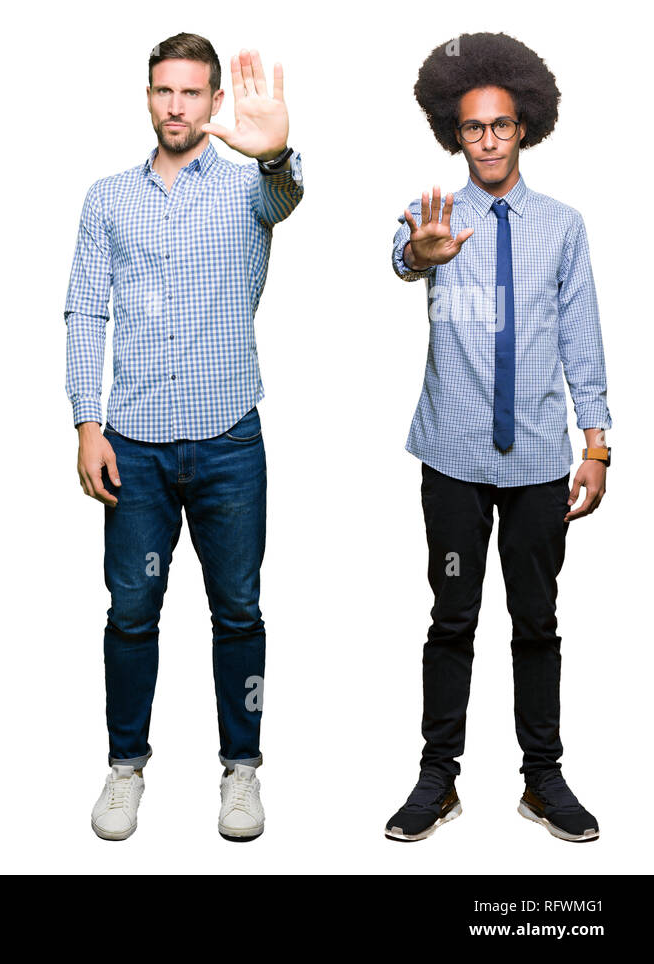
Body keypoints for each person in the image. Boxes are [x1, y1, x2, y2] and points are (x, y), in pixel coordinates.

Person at [64, 33, 302, 841]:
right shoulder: (107, 199)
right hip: (133, 444)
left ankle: (243, 770)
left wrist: (277, 156)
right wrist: (85, 421)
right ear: (148, 96)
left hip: (229, 440)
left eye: (193, 93)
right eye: (165, 91)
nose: (177, 106)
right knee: (131, 612)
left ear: (213, 101)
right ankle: (125, 767)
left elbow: (286, 195)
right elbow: (84, 311)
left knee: (238, 611)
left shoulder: (247, 189)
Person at [385, 32, 609, 844]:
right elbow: (402, 257)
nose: (487, 138)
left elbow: (582, 337)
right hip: (453, 458)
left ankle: (542, 779)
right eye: (473, 126)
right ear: (455, 129)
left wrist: (598, 444)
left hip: (544, 464)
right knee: (452, 619)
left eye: (502, 125)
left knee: (537, 623)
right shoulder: (432, 216)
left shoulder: (562, 226)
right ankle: (437, 777)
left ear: (525, 128)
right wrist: (421, 252)